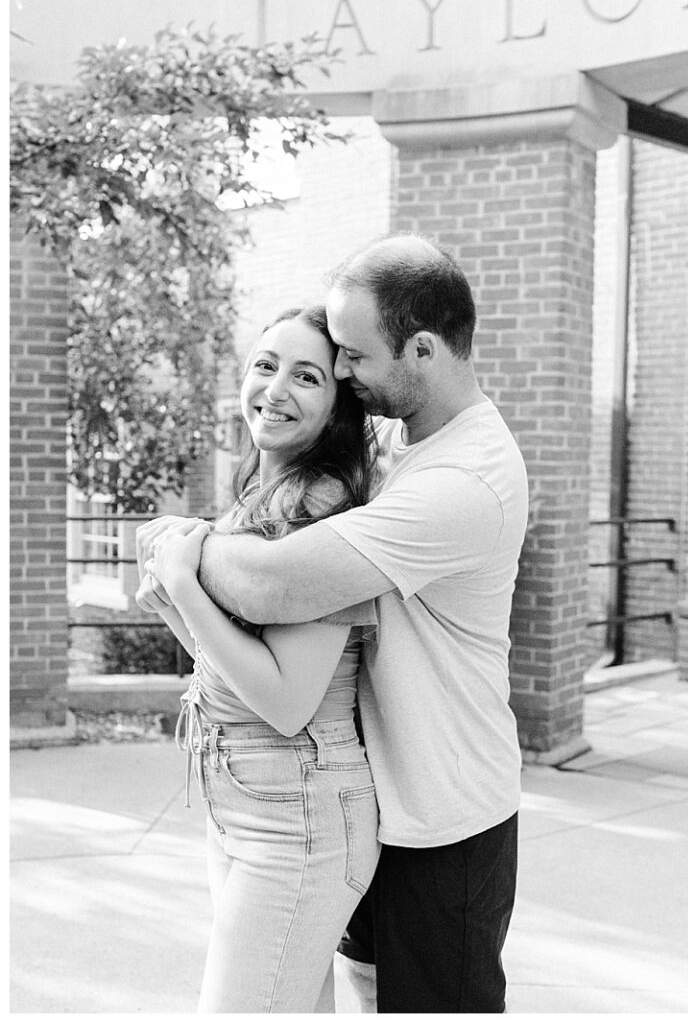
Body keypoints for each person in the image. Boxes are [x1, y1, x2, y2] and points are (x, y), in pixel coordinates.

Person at [138, 234, 529, 1012]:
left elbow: (275, 584)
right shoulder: (396, 440)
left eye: (351, 356)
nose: (344, 375)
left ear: (421, 349)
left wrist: (175, 550)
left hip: (442, 815)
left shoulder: (465, 480)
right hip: (378, 798)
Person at [139, 305, 381, 1012]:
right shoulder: (263, 492)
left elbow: (285, 700)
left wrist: (186, 583)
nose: (275, 387)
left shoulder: (323, 506)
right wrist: (172, 605)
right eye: (265, 364)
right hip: (247, 798)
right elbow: (235, 669)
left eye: (306, 375)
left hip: (297, 810)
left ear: (337, 406)